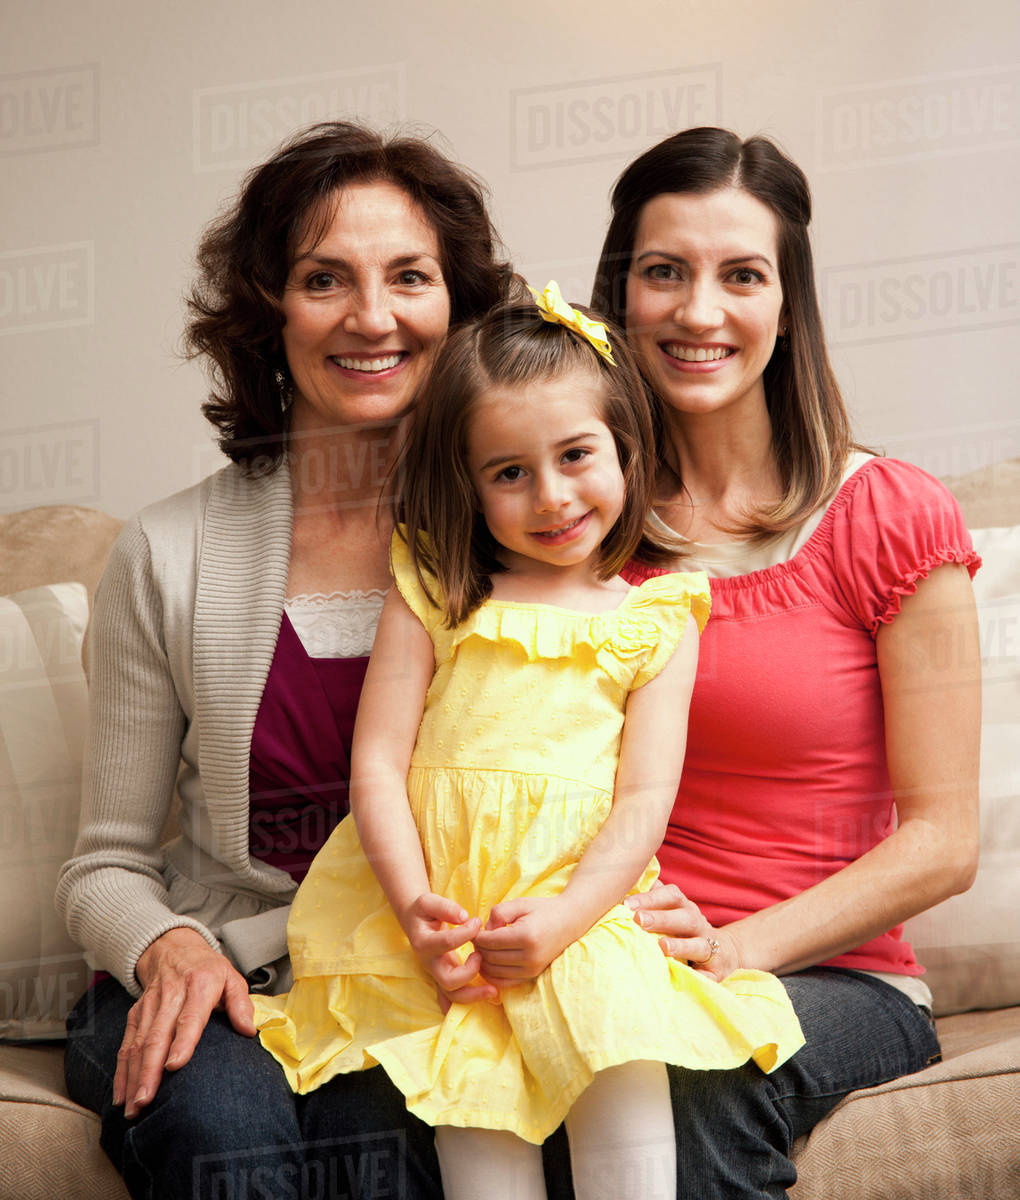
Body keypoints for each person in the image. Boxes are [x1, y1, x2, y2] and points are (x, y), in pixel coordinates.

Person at [251, 287, 805, 1200]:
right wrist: (416, 908)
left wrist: (564, 920)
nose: (551, 496)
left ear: (626, 450)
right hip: (455, 933)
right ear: (468, 485)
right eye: (509, 472)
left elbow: (643, 801)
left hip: (583, 923)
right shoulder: (435, 592)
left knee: (630, 1158)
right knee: (481, 1155)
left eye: (576, 455)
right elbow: (377, 767)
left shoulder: (655, 617)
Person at [55, 120, 512, 1200]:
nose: (373, 317)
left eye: (410, 276)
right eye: (324, 279)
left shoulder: (519, 535)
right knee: (226, 1135)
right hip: (214, 965)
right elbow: (103, 864)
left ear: (459, 308)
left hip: (410, 979)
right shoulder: (167, 551)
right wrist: (167, 950)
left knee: (396, 1142)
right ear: (269, 310)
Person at [541, 125, 980, 1199]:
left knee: (686, 1075)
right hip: (609, 972)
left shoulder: (889, 514)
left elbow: (943, 842)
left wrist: (731, 954)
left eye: (741, 275)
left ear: (788, 303)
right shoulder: (567, 525)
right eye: (664, 272)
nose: (700, 312)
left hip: (832, 982)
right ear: (619, 295)